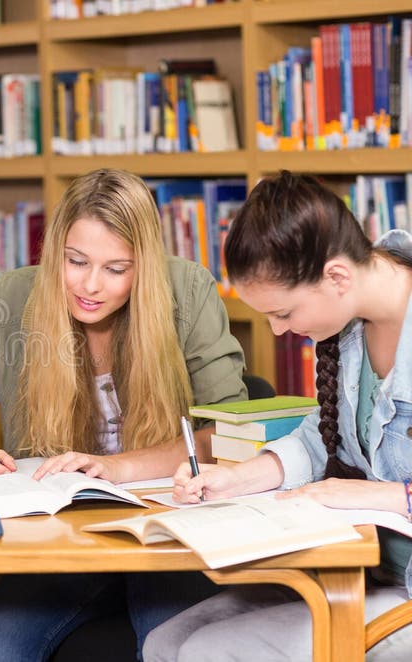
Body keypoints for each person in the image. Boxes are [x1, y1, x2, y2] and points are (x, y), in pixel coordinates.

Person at [0, 168, 247, 660]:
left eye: (116, 269)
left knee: (172, 647)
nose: (91, 285)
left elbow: (229, 433)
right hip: (59, 540)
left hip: (167, 531)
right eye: (76, 262)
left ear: (145, 265)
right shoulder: (11, 298)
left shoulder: (189, 291)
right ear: (56, 251)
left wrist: (116, 468)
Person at [144, 171, 412, 662]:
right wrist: (237, 478)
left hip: (402, 589)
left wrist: (386, 496)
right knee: (162, 643)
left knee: (205, 653)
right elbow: (319, 438)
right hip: (359, 568)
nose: (276, 331)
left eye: (284, 314)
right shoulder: (350, 323)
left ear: (337, 277)